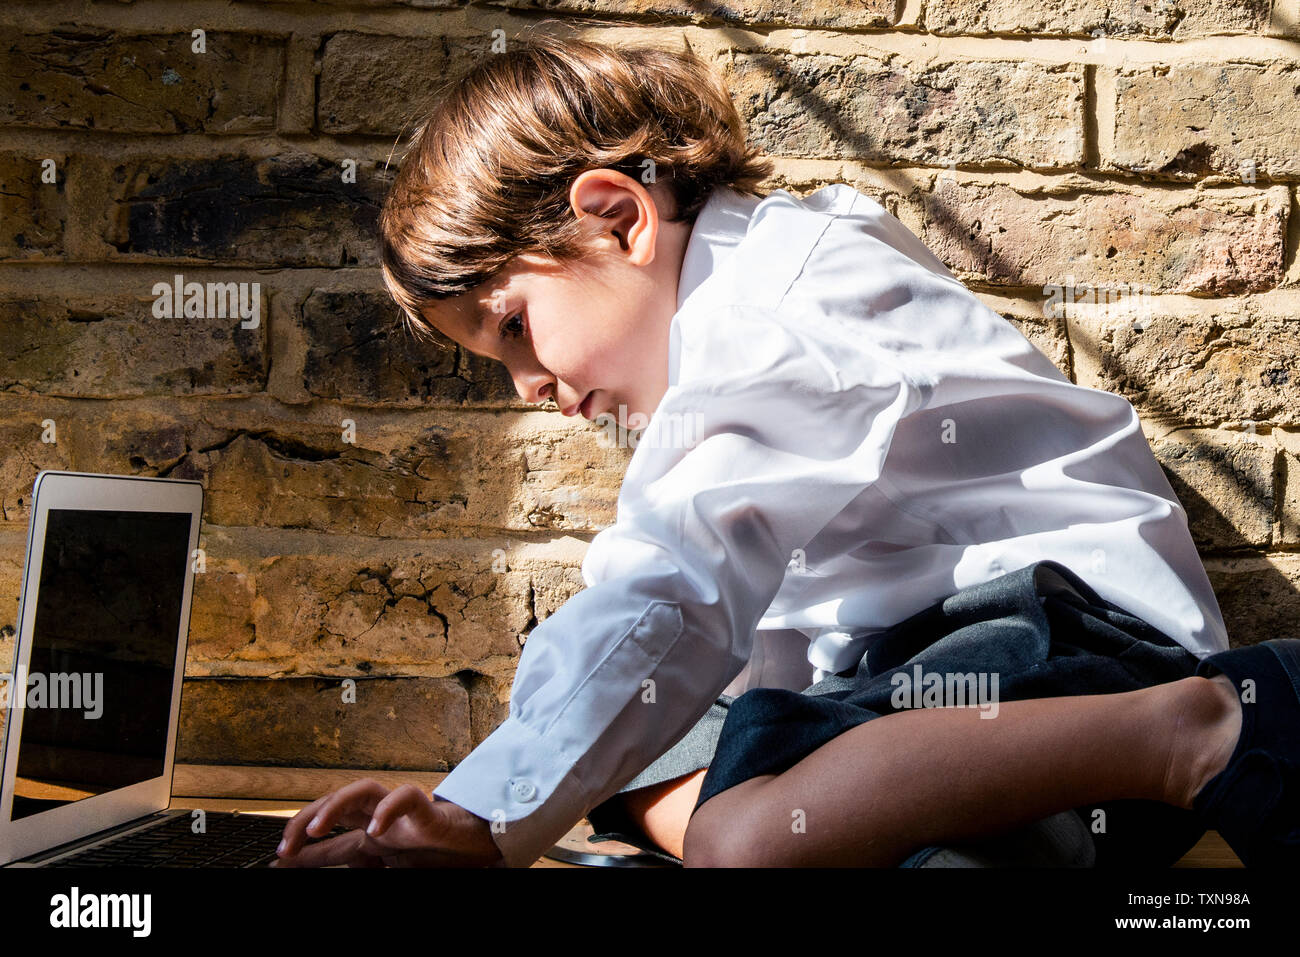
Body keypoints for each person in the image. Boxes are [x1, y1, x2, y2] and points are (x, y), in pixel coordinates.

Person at [273, 31, 1300, 869]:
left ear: (617, 218)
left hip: (1064, 648)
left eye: (514, 329)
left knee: (739, 831)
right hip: (903, 688)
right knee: (616, 711)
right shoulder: (730, 327)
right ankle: (900, 833)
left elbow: (675, 589)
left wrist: (480, 818)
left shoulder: (775, 314)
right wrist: (492, 786)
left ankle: (1202, 730)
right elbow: (722, 624)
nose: (528, 386)